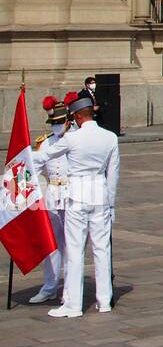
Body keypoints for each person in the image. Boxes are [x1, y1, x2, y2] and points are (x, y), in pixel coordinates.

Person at [41, 95, 118, 317]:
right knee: (102, 249)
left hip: (77, 196)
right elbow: (113, 175)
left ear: (76, 116)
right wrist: (111, 205)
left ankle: (73, 305)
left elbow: (44, 155)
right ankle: (104, 301)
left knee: (75, 250)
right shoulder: (110, 137)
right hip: (100, 196)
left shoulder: (72, 138)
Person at [28, 95, 72, 305]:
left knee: (73, 244)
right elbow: (35, 168)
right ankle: (49, 287)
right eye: (53, 123)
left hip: (74, 195)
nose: (56, 127)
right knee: (52, 245)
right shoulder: (46, 143)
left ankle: (71, 290)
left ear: (68, 120)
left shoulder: (77, 140)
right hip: (53, 195)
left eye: (59, 123)